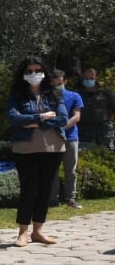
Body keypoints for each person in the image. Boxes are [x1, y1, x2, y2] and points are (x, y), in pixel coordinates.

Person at [6, 57, 68, 246]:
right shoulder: (17, 94)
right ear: (23, 74)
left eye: (38, 70)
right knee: (29, 189)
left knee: (45, 189)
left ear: (44, 72)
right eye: (29, 71)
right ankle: (23, 232)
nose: (34, 74)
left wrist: (33, 123)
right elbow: (14, 117)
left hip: (53, 147)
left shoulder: (54, 94)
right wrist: (41, 116)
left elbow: (63, 118)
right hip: (26, 148)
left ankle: (38, 231)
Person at [53, 69, 83, 209]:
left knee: (70, 170)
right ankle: (52, 200)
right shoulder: (48, 97)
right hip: (53, 138)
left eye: (59, 83)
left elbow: (76, 116)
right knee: (52, 169)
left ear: (65, 81)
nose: (57, 86)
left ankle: (70, 199)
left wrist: (62, 127)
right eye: (54, 84)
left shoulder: (74, 96)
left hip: (71, 138)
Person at [80, 66, 114, 150]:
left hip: (103, 131)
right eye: (86, 78)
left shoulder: (105, 93)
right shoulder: (77, 94)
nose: (89, 80)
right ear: (83, 79)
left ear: (96, 78)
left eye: (91, 78)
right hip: (83, 132)